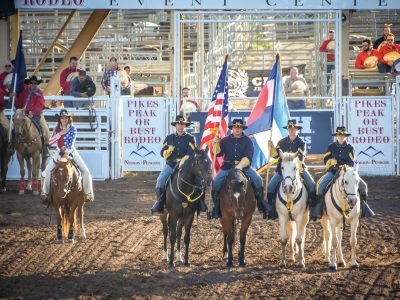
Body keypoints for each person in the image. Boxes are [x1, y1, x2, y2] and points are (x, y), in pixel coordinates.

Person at [211, 118, 268, 219]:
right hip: (227, 167)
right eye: (235, 127)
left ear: (242, 129)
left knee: (258, 180)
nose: (237, 129)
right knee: (215, 182)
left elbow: (249, 156)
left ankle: (260, 203)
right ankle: (216, 206)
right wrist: (215, 144)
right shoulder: (225, 140)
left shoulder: (248, 141)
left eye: (239, 127)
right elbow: (218, 154)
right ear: (232, 128)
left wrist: (240, 166)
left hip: (244, 167)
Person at [150, 115, 207, 214]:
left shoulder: (190, 138)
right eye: (178, 124)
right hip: (171, 165)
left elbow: (192, 152)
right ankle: (160, 203)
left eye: (182, 124)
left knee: (199, 180)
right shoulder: (169, 138)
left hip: (186, 166)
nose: (180, 126)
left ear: (185, 125)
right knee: (160, 180)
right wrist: (167, 152)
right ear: (175, 125)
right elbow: (162, 151)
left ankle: (200, 202)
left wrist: (184, 159)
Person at [310, 127, 369, 221]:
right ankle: (318, 210)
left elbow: (352, 162)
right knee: (320, 186)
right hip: (333, 172)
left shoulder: (350, 147)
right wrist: (330, 161)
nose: (341, 137)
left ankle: (364, 208)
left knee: (363, 187)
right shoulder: (331, 147)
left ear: (345, 136)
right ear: (336, 136)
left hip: (347, 173)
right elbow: (326, 159)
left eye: (343, 135)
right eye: (339, 135)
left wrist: (344, 166)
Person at [40, 109, 94, 204]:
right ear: (59, 119)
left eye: (65, 118)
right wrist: (60, 134)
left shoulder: (73, 128)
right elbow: (50, 142)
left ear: (69, 119)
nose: (64, 119)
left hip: (71, 152)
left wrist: (66, 153)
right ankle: (46, 194)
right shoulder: (57, 129)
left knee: (86, 171)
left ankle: (87, 193)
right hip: (58, 152)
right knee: (46, 172)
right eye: (62, 118)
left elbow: (71, 142)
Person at [266, 119, 316, 220]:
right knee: (270, 187)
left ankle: (313, 209)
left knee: (312, 185)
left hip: (298, 170)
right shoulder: (281, 142)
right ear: (288, 130)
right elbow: (276, 156)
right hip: (283, 171)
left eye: (294, 129)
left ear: (297, 130)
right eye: (290, 129)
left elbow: (301, 157)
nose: (292, 131)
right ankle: (271, 210)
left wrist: (296, 165)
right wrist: (271, 149)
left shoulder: (301, 143)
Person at [14, 75, 50, 157]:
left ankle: (45, 147)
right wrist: (14, 97)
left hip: (37, 115)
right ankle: (14, 144)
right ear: (29, 84)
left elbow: (39, 105)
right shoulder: (24, 92)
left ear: (37, 84)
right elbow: (19, 103)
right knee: (16, 125)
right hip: (25, 115)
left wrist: (33, 113)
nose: (33, 84)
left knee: (45, 129)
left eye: (35, 83)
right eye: (31, 83)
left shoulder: (40, 93)